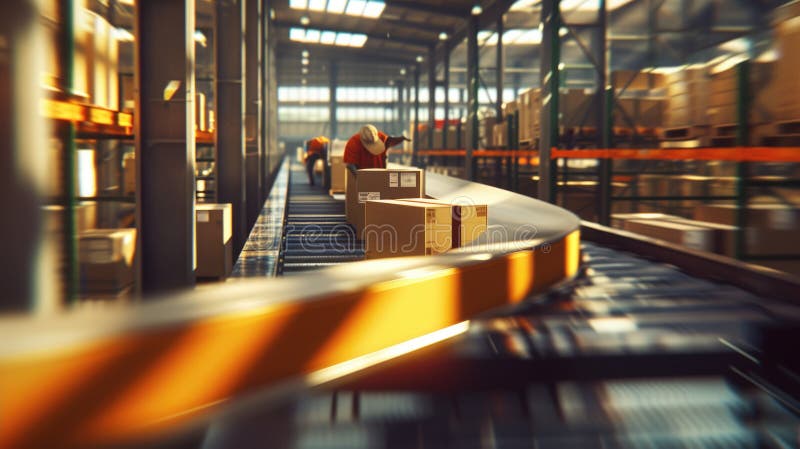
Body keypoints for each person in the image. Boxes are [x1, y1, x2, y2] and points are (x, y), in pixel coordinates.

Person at [343, 124, 409, 170]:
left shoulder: (380, 136)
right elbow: (350, 164)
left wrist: (401, 138)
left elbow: (390, 141)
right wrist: (359, 177)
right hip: (363, 173)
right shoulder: (353, 142)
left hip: (379, 172)